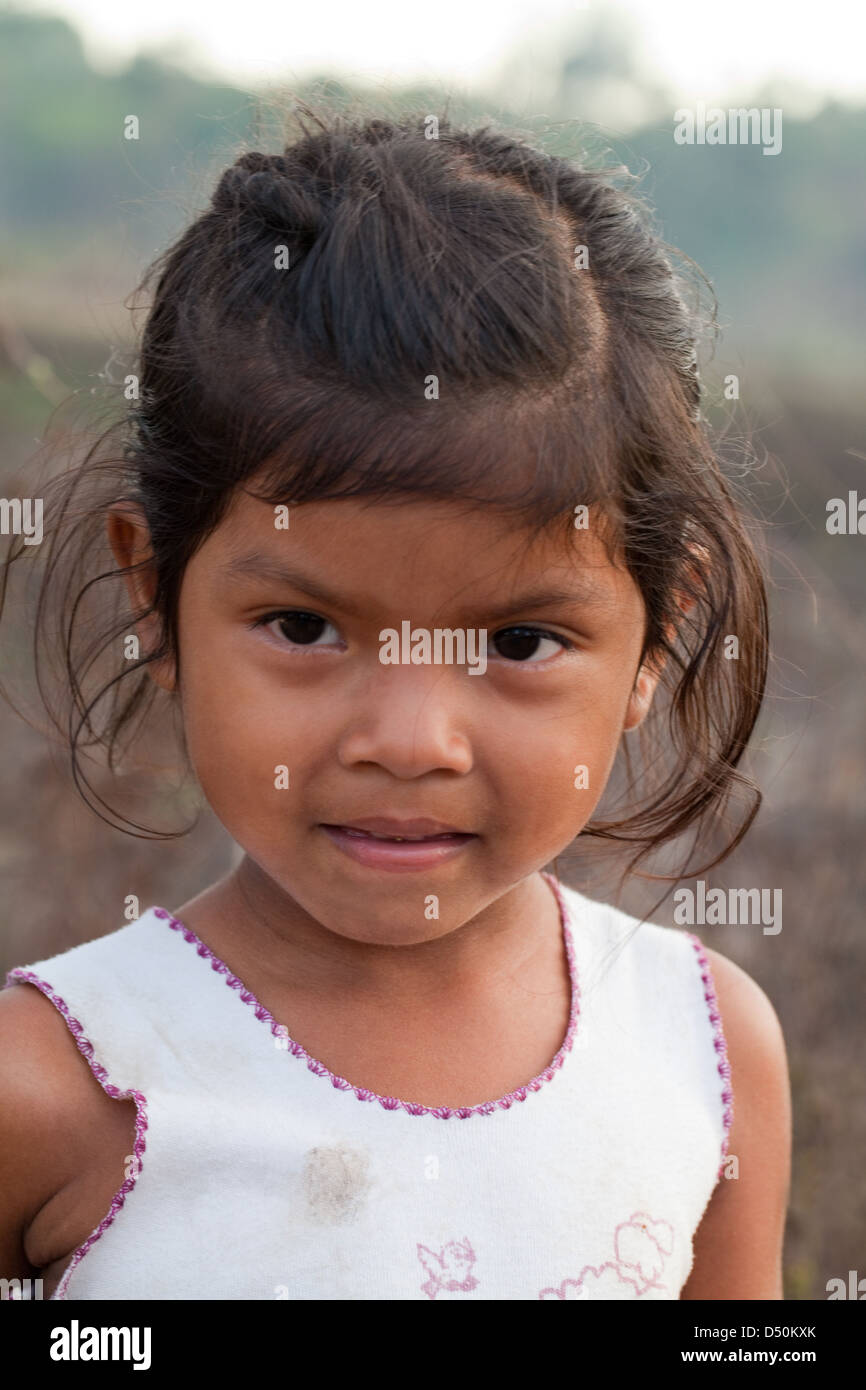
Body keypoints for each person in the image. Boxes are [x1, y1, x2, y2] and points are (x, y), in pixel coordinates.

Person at [0, 102, 790, 1300]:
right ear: (155, 601)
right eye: (305, 628)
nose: (410, 742)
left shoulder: (705, 1048)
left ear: (655, 639)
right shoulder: (60, 1084)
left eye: (519, 640)